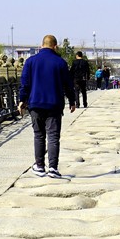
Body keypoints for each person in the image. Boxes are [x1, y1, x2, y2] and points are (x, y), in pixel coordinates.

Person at [18, 34, 77, 178]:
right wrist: (72, 100)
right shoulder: (60, 62)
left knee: (38, 135)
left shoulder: (31, 61)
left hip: (35, 104)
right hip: (54, 104)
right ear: (55, 46)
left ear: (41, 45)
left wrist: (22, 100)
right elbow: (68, 85)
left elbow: (25, 83)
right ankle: (53, 168)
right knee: (53, 136)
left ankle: (39, 166)